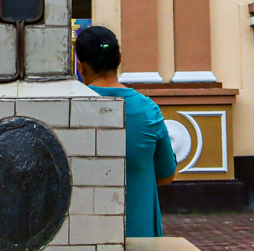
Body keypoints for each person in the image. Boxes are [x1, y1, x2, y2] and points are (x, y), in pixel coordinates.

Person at [74, 26, 177, 236]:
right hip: (139, 236)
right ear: (119, 58)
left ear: (80, 66)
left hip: (82, 235)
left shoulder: (70, 109)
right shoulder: (148, 110)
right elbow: (167, 175)